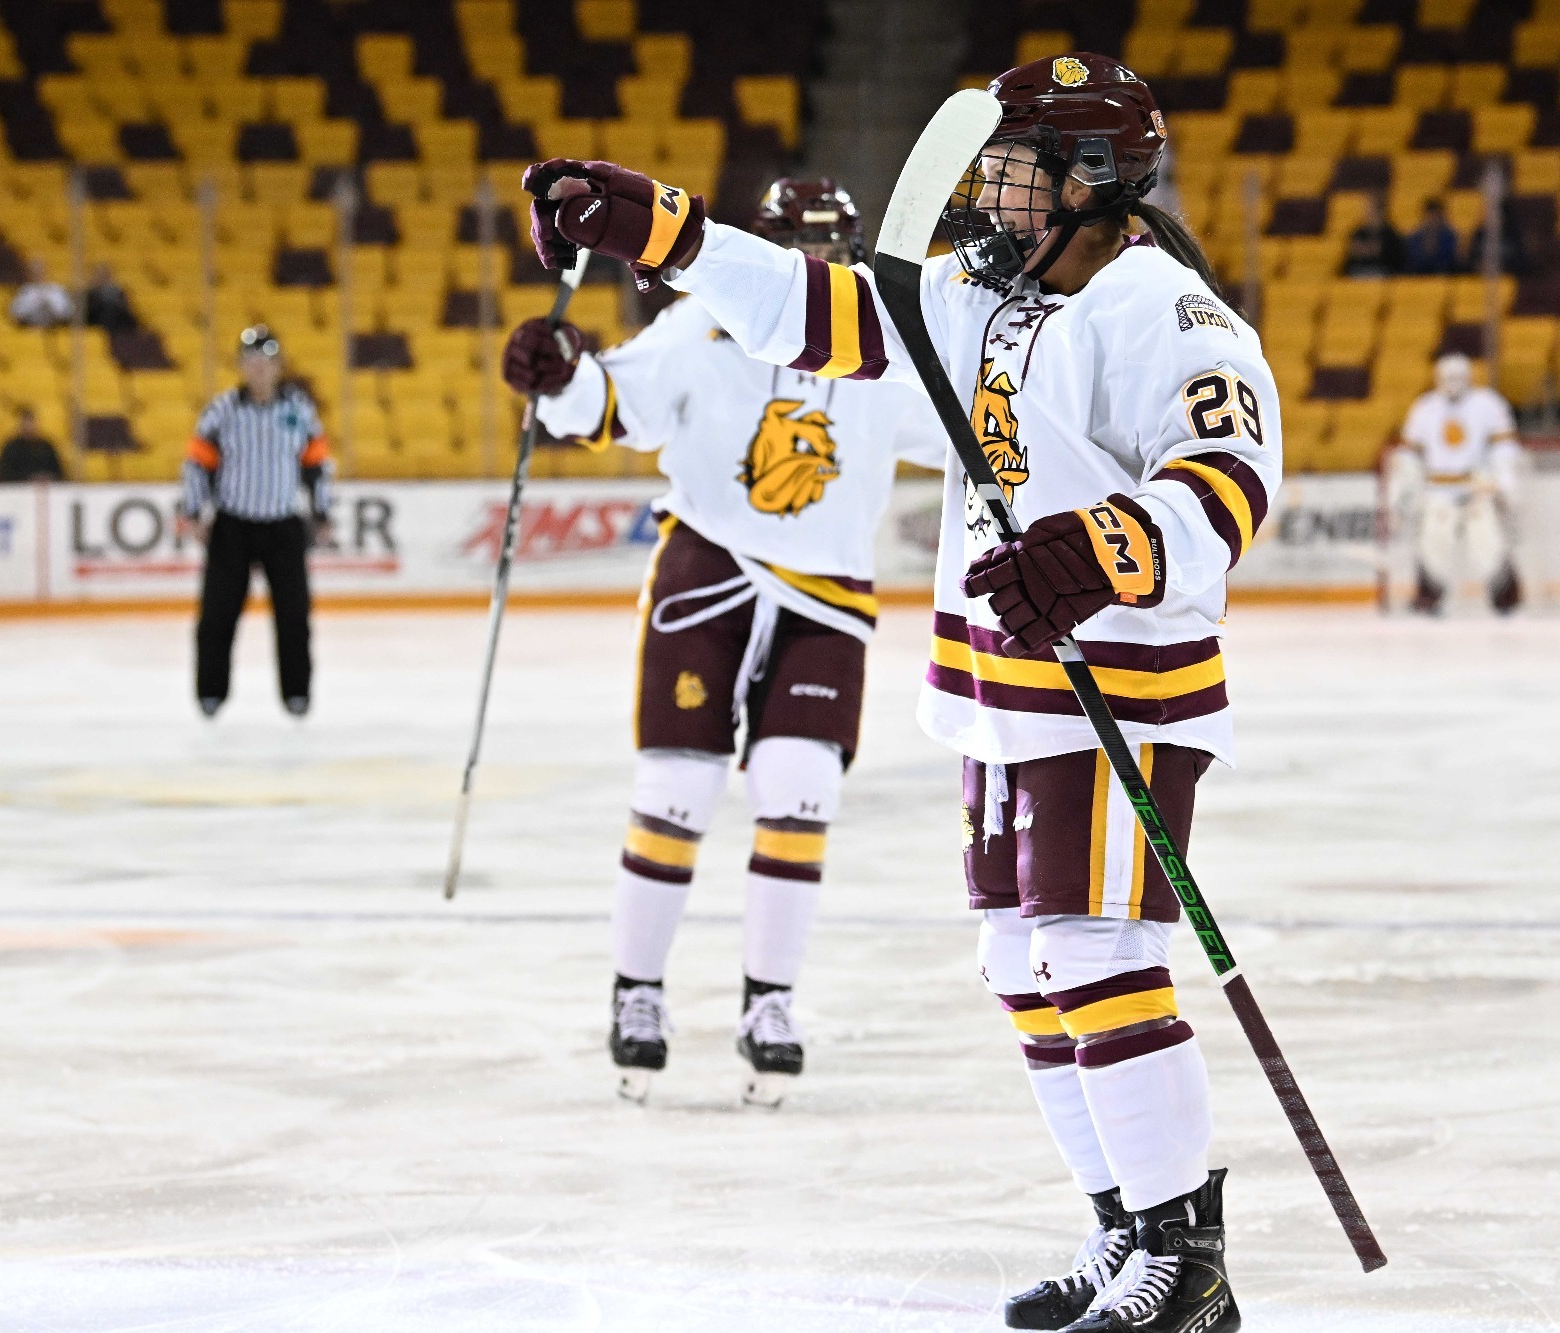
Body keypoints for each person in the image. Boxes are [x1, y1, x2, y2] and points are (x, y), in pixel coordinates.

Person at [523, 50, 1278, 1333]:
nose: (987, 194)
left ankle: (1184, 1262)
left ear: (1092, 180)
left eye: (1014, 171)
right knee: (1019, 959)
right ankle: (1122, 1229)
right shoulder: (994, 294)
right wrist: (663, 225)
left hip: (1116, 683)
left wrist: (1109, 548)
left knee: (1094, 954)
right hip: (1006, 690)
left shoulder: (1167, 310)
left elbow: (1228, 473)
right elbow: (813, 309)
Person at [503, 177, 946, 1109]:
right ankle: (637, 991)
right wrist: (560, 371)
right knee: (676, 791)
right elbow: (605, 406)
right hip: (710, 573)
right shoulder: (700, 331)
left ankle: (770, 1002)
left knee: (799, 790)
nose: (821, 267)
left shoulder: (880, 348)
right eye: (803, 248)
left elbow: (976, 427)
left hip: (826, 592)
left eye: (834, 249)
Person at [174, 325, 332, 718]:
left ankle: (297, 693)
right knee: (216, 616)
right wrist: (192, 511)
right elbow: (198, 463)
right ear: (241, 366)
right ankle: (211, 692)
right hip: (233, 526)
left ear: (279, 366)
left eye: (266, 362)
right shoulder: (222, 410)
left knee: (294, 615)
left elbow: (317, 466)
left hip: (283, 525)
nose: (259, 369)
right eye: (251, 362)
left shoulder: (299, 411)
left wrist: (322, 512)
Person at [1390, 352, 1522, 614]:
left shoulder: (1488, 404)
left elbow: (1503, 448)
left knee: (1488, 545)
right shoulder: (1425, 407)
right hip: (1438, 487)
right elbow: (1410, 455)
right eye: (1448, 377)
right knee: (1433, 544)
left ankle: (1506, 598)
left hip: (1477, 487)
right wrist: (1403, 490)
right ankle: (1428, 597)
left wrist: (1504, 483)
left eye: (1458, 377)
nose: (1453, 383)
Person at [0, 407, 64, 482]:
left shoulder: (46, 446)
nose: (28, 427)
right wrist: (27, 478)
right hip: (18, 490)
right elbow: (3, 474)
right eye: (25, 423)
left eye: (31, 423)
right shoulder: (11, 448)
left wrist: (46, 477)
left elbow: (58, 472)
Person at [1343, 194, 1404, 277]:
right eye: (1367, 210)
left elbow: (1394, 259)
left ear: (1381, 212)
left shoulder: (1391, 234)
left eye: (1371, 210)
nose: (1368, 214)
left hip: (1383, 273)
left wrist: (1366, 250)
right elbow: (1352, 254)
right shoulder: (1358, 232)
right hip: (1357, 271)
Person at [9, 258, 72, 328]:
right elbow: (16, 314)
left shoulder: (57, 289)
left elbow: (67, 313)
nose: (38, 273)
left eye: (40, 270)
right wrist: (34, 303)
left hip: (55, 331)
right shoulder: (24, 291)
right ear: (29, 273)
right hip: (30, 332)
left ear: (45, 271)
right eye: (34, 271)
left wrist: (50, 303)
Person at [1405, 197, 1459, 275]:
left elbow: (1452, 263)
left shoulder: (1450, 237)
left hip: (1444, 278)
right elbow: (1412, 263)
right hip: (1418, 279)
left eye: (1436, 216)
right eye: (1430, 216)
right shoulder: (1414, 238)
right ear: (1424, 217)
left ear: (1442, 217)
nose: (1433, 220)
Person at [83, 263, 137, 333]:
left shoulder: (118, 292)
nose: (101, 277)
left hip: (116, 326)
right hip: (95, 326)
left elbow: (126, 311)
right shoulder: (88, 293)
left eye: (104, 274)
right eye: (99, 274)